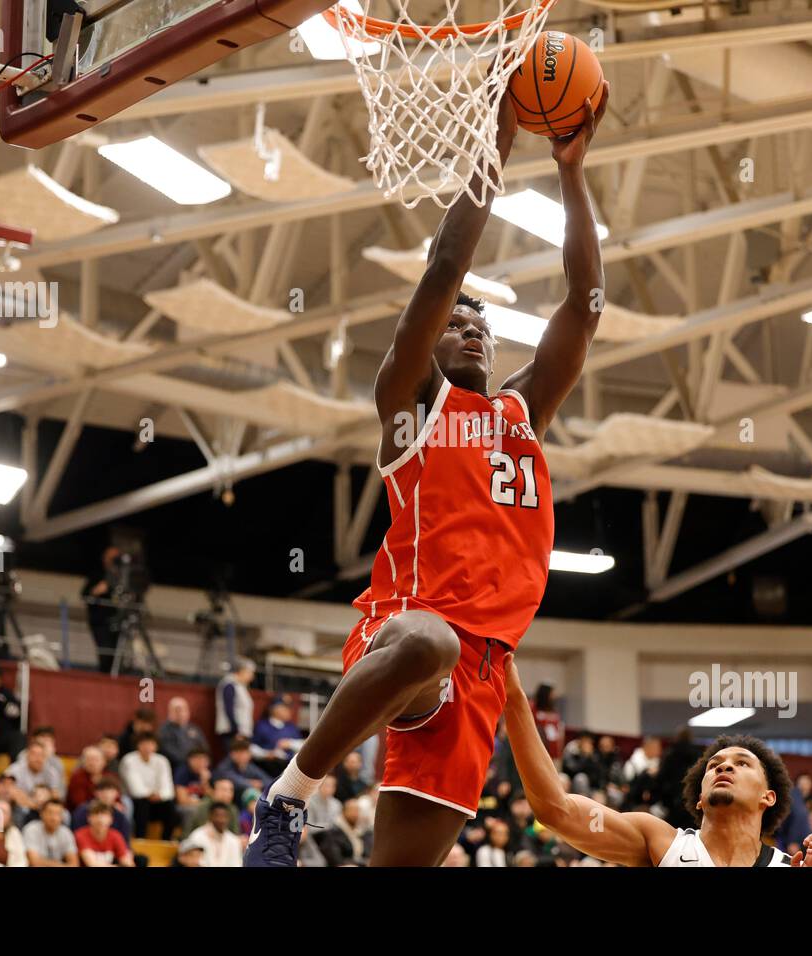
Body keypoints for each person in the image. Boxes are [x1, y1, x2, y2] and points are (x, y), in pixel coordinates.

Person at [245, 86, 610, 868]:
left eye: (482, 326)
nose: (471, 331)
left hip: (484, 674)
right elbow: (448, 264)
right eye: (456, 325)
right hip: (407, 633)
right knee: (430, 643)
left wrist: (573, 171)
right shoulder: (410, 405)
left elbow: (584, 304)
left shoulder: (523, 413)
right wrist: (501, 137)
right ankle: (284, 800)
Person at [501, 659, 812, 867]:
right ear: (699, 798)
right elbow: (557, 811)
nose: (723, 767)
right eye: (714, 764)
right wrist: (514, 700)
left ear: (768, 797)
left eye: (742, 763)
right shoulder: (660, 843)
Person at [119, 732, 177, 840]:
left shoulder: (162, 761)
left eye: (151, 744)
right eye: (144, 744)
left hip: (158, 799)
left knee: (170, 807)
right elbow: (134, 786)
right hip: (136, 800)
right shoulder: (129, 760)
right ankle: (140, 838)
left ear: (156, 746)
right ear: (138, 745)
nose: (147, 747)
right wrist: (148, 794)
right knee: (142, 805)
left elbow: (167, 785)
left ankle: (166, 840)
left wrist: (161, 795)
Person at [82, 547, 123, 673]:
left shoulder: (121, 576)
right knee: (105, 652)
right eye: (111, 558)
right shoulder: (97, 574)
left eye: (116, 558)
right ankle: (104, 676)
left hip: (118, 621)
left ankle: (115, 678)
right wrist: (96, 591)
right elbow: (84, 595)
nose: (113, 561)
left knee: (118, 655)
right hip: (100, 621)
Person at [70, 776, 133, 844]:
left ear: (117, 793)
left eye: (110, 791)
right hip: (85, 848)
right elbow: (76, 836)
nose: (106, 794)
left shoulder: (120, 816)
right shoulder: (82, 812)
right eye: (102, 790)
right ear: (95, 793)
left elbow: (125, 844)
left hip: (112, 851)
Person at [251, 697, 304, 773]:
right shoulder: (262, 726)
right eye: (285, 708)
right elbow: (252, 747)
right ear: (274, 709)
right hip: (267, 767)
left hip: (288, 767)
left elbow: (304, 745)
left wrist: (290, 743)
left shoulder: (291, 727)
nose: (290, 711)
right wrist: (266, 754)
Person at [76, 800, 135, 867]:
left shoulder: (116, 835)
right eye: (96, 814)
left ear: (111, 819)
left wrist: (128, 861)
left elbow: (126, 860)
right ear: (89, 818)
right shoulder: (81, 834)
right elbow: (92, 864)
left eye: (104, 814)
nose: (100, 819)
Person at [23, 798, 80, 867]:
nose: (54, 818)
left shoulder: (66, 832)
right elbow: (34, 862)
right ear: (41, 814)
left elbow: (74, 864)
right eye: (50, 813)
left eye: (58, 814)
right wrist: (62, 865)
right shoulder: (31, 829)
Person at [317, 798, 374, 867]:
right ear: (344, 812)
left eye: (357, 810)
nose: (355, 814)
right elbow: (336, 860)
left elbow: (367, 855)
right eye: (352, 810)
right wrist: (362, 863)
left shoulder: (361, 832)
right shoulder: (333, 832)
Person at [215, 657, 256, 750]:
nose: (252, 676)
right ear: (242, 671)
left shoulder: (240, 686)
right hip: (233, 733)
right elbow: (229, 708)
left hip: (241, 732)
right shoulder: (229, 684)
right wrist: (236, 731)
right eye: (250, 672)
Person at [214, 737, 273, 802]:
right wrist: (251, 784)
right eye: (239, 753)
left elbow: (269, 781)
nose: (243, 756)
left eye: (245, 753)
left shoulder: (249, 767)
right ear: (232, 754)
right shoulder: (224, 767)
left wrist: (260, 784)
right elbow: (236, 782)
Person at [188, 801, 243, 867]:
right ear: (210, 816)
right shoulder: (197, 836)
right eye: (218, 816)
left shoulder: (233, 840)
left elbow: (237, 864)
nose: (222, 820)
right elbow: (196, 863)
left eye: (224, 816)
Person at [158, 697, 209, 768]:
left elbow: (204, 748)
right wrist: (191, 761)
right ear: (170, 712)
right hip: (177, 766)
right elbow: (169, 752)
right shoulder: (164, 730)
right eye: (177, 710)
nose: (181, 713)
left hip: (198, 765)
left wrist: (202, 761)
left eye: (184, 710)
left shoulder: (194, 729)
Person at [530, 682, 565, 760]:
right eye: (552, 694)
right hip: (538, 752)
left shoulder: (554, 712)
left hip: (554, 754)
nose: (554, 696)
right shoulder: (533, 709)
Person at [67, 745, 107, 811]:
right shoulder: (77, 777)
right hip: (84, 811)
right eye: (89, 760)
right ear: (83, 762)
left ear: (104, 762)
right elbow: (79, 802)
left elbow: (116, 797)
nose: (93, 763)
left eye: (96, 760)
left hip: (107, 810)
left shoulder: (108, 776)